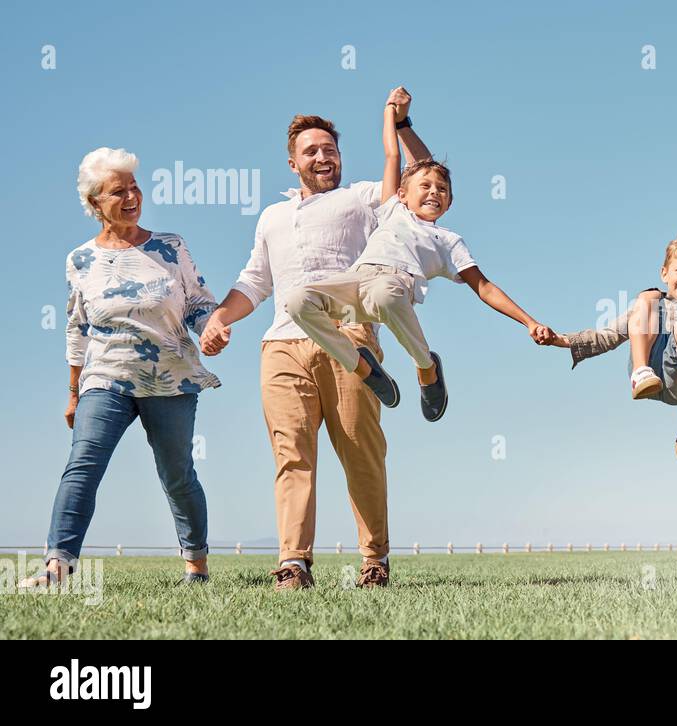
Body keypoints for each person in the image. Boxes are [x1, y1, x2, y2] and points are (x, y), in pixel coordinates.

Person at [200, 87, 432, 590]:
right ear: (292, 163)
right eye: (312, 150)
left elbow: (424, 174)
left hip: (349, 337)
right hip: (281, 346)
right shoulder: (271, 217)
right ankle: (293, 563)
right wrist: (221, 318)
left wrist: (403, 124)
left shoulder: (365, 198)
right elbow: (255, 281)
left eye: (331, 149)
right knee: (292, 456)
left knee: (360, 451)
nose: (323, 156)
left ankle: (374, 560)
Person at [284, 99, 554, 422]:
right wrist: (389, 112)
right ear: (402, 193)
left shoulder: (448, 241)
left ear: (449, 203)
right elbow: (392, 154)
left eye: (442, 189)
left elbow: (483, 287)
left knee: (386, 292)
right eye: (424, 185)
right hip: (357, 282)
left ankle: (427, 369)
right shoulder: (390, 209)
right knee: (298, 301)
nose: (433, 192)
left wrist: (529, 321)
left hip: (392, 289)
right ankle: (363, 367)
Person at [23, 147, 219, 588]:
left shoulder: (170, 247)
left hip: (170, 376)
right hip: (105, 376)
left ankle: (196, 564)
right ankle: (58, 566)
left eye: (134, 187)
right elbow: (77, 328)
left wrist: (211, 328)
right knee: (83, 462)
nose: (131, 196)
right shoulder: (80, 259)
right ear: (96, 204)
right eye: (118, 191)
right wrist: (74, 392)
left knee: (177, 473)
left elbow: (199, 302)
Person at [541, 197, 677, 460]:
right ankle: (641, 371)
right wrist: (558, 340)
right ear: (665, 272)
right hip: (649, 371)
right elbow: (608, 336)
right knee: (646, 297)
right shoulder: (651, 305)